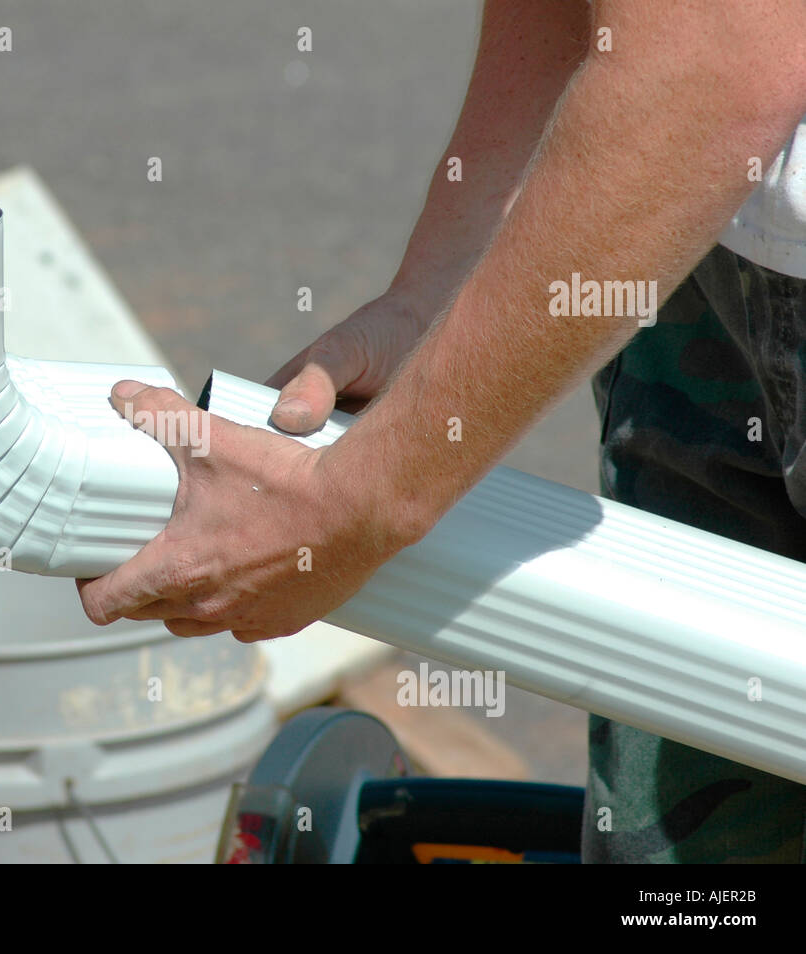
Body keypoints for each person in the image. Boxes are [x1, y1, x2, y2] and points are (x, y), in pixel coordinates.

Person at [77, 0, 806, 862]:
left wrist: (353, 504)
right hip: (699, 234)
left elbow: (713, 60)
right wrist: (438, 295)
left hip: (700, 142)